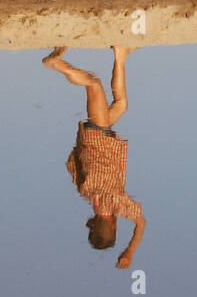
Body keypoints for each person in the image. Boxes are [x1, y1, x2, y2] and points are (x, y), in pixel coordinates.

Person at [42, 46, 145, 268]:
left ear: (115, 225)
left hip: (100, 133)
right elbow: (71, 164)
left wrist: (130, 251)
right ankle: (120, 53)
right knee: (121, 105)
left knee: (93, 84)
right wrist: (82, 146)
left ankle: (56, 65)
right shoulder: (87, 193)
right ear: (93, 222)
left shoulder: (118, 203)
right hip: (94, 135)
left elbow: (141, 223)